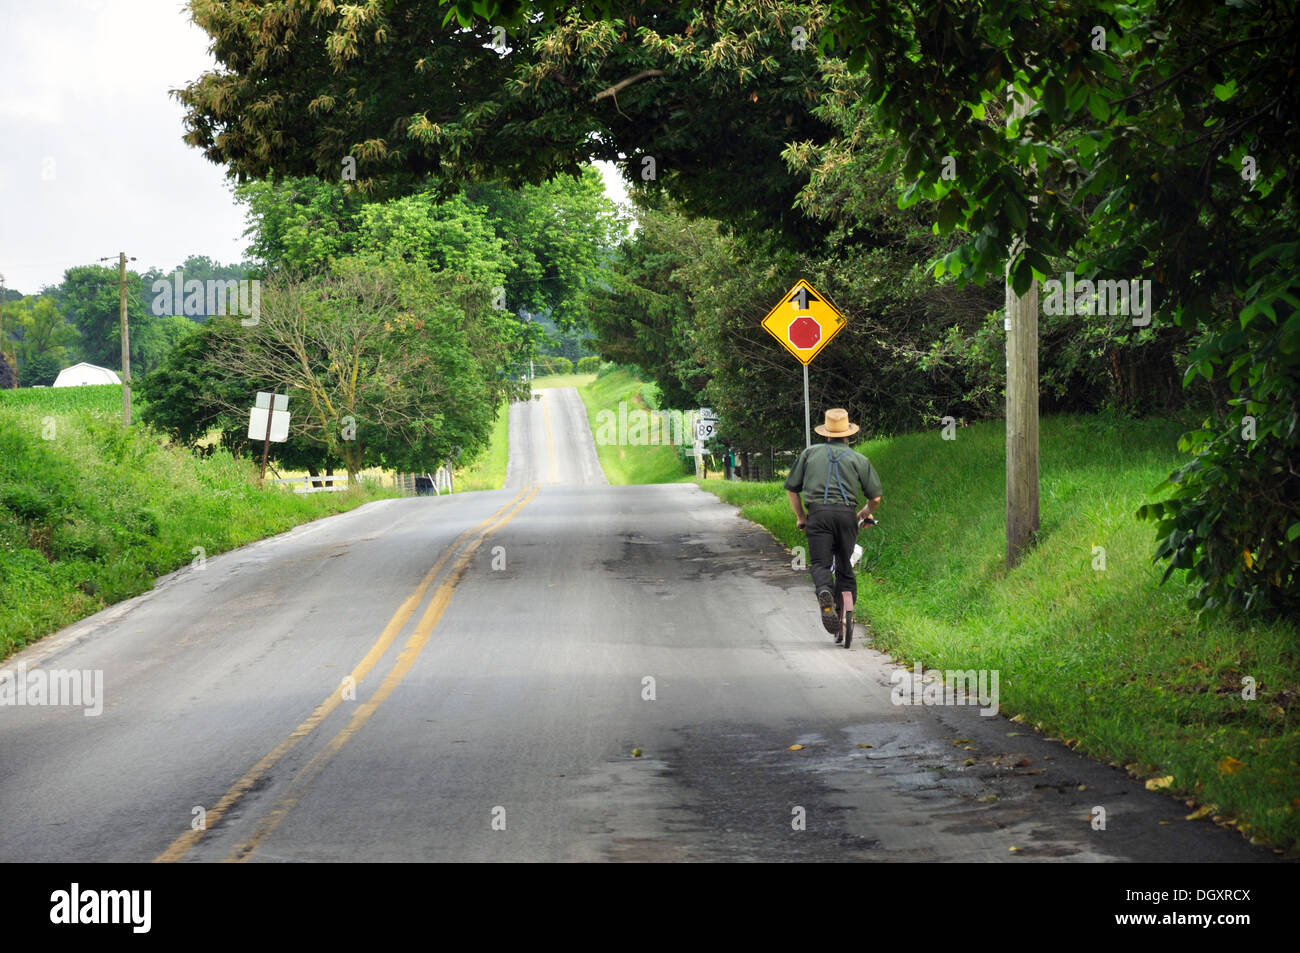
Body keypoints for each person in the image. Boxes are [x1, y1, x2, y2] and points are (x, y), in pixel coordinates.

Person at [784, 408, 882, 644]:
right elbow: (875, 497)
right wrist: (865, 513)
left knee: (820, 563)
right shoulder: (859, 459)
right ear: (848, 434)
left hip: (818, 515)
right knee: (845, 566)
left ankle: (825, 592)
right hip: (848, 515)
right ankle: (846, 612)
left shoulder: (809, 453)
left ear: (826, 433)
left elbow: (792, 489)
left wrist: (801, 517)